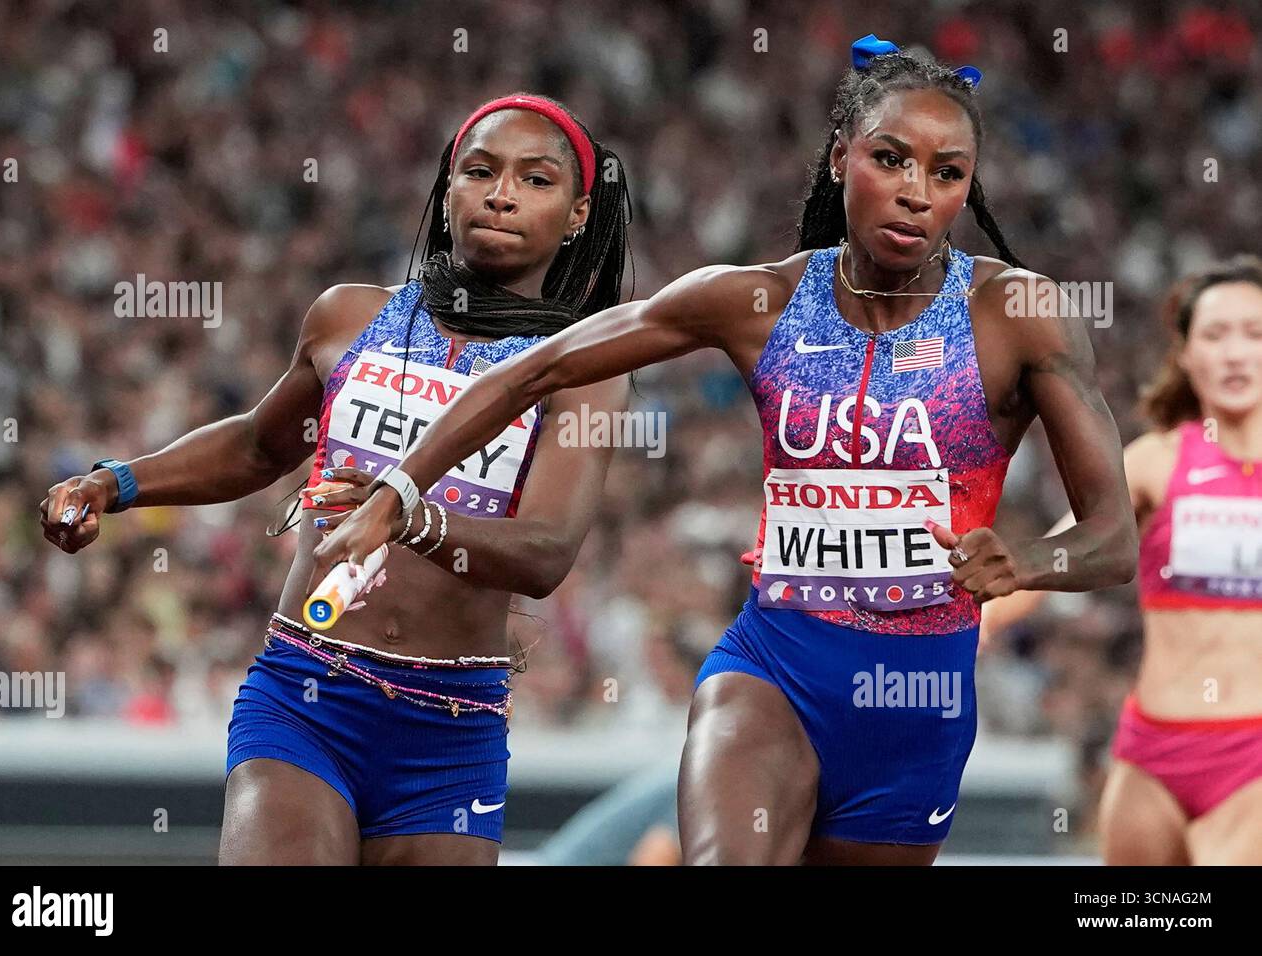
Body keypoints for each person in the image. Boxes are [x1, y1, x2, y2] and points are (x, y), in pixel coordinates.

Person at [314, 37, 1138, 865]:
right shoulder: (756, 301)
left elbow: (1111, 538)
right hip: (774, 664)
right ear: (840, 156)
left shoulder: (1019, 313)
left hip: (918, 697)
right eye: (890, 160)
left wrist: (1030, 563)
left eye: (947, 173)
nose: (916, 193)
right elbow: (539, 367)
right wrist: (399, 491)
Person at [37, 93, 633, 865]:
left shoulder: (585, 375)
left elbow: (547, 552)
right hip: (306, 694)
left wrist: (403, 513)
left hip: (451, 724)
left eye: (535, 179)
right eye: (478, 170)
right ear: (447, 187)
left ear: (579, 213)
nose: (500, 193)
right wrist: (115, 481)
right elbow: (257, 446)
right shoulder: (349, 317)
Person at [981, 256, 1262, 864]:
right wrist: (978, 622)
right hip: (1150, 749)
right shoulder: (1155, 461)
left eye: (1253, 334)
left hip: (1252, 751)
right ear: (1186, 354)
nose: (1236, 353)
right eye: (1215, 335)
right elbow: (1053, 558)